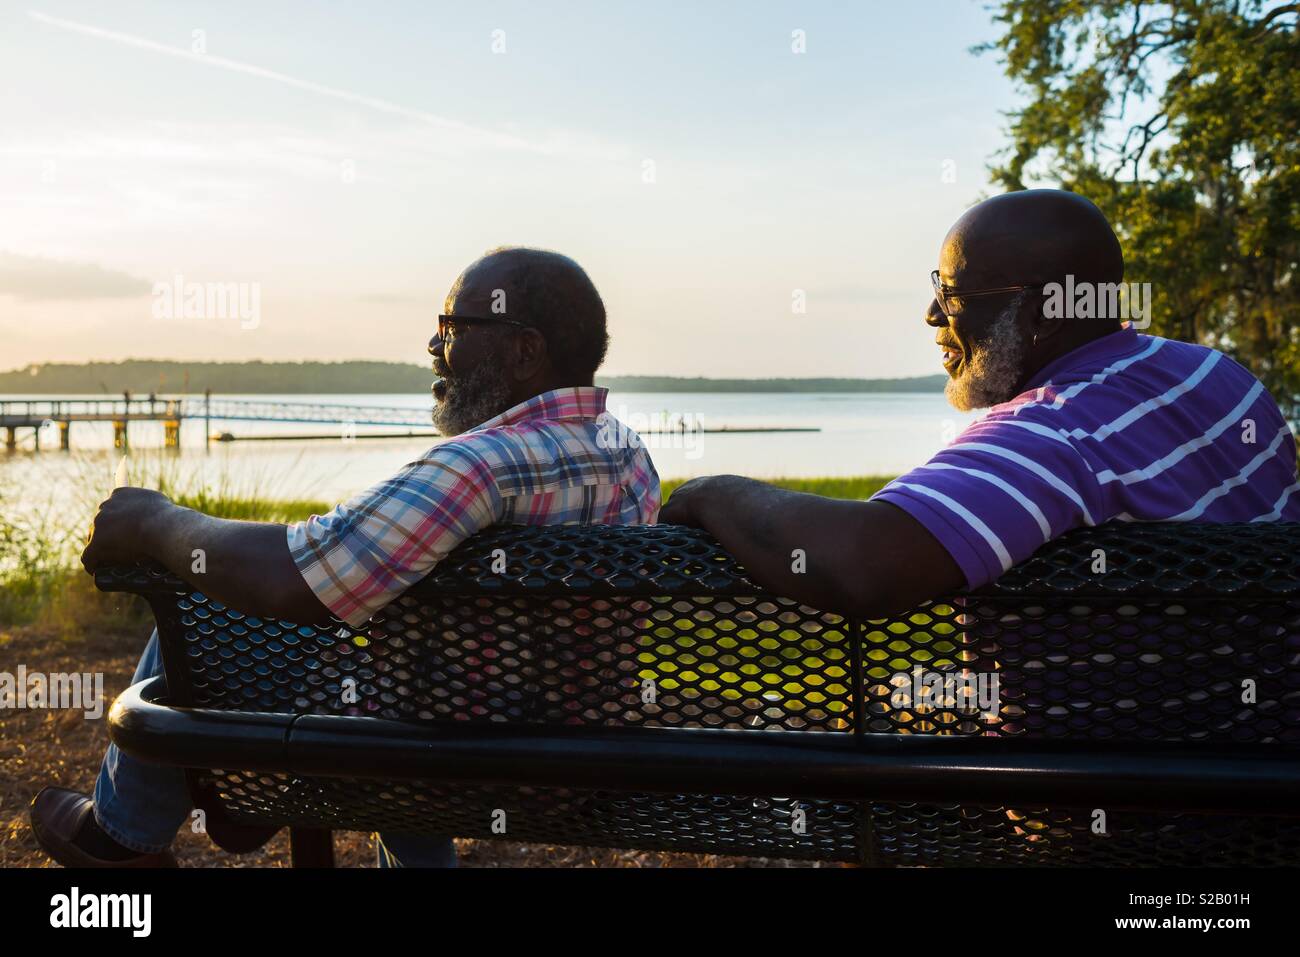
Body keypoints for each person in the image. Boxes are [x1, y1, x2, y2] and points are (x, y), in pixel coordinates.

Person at [31, 247, 660, 867]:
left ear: (525, 350)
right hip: (574, 766)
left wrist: (157, 520)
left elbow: (292, 578)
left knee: (202, 600)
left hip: (433, 763)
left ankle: (127, 837)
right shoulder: (626, 454)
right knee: (424, 659)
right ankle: (234, 798)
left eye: (452, 328)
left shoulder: (479, 467)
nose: (434, 348)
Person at [660, 190, 1299, 618]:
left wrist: (708, 491)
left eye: (956, 294)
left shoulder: (1054, 431)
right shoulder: (1221, 374)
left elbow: (865, 563)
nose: (933, 313)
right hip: (1253, 760)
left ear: (1045, 314)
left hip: (1097, 795)